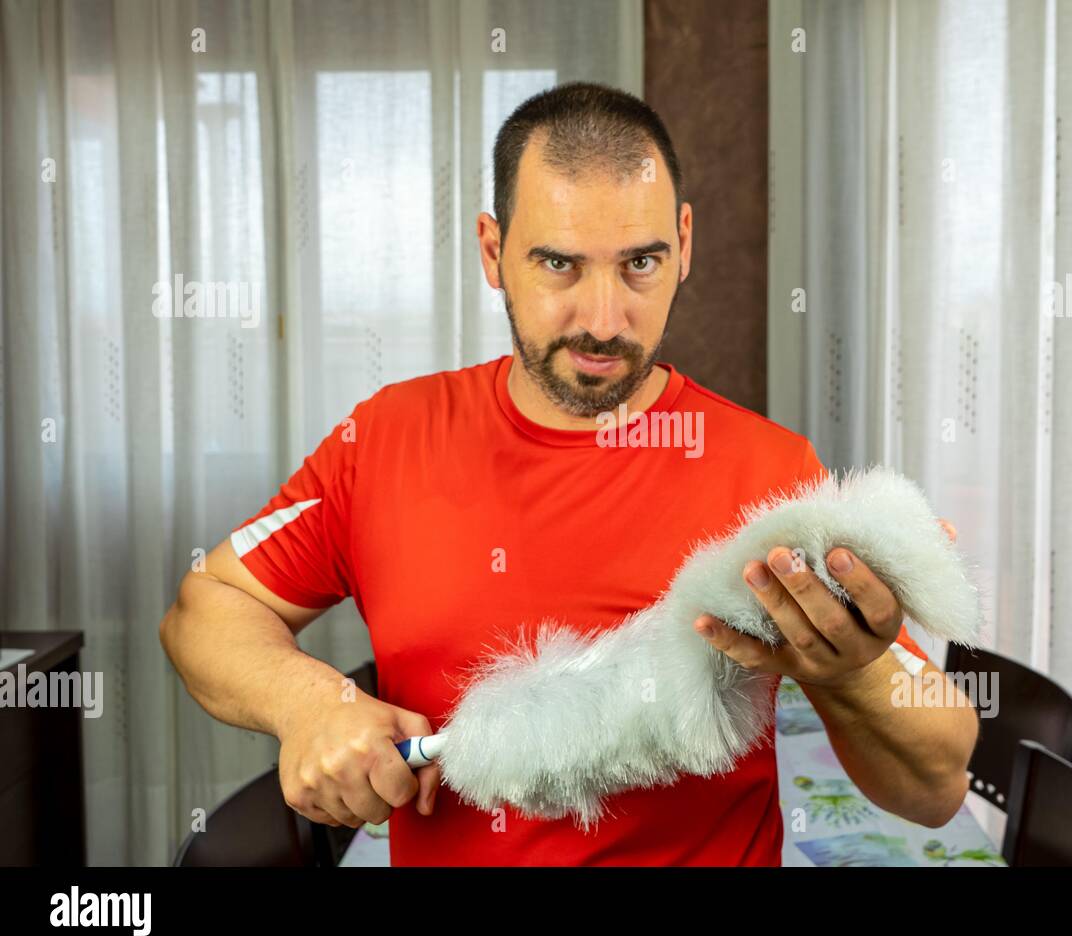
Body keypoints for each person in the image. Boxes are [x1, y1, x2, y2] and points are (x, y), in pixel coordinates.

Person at [159, 81, 978, 866]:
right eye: (559, 264)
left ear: (685, 245)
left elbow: (937, 787)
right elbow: (207, 607)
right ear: (493, 250)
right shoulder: (383, 439)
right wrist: (309, 704)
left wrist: (854, 674)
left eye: (641, 265)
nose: (602, 320)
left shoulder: (769, 471)